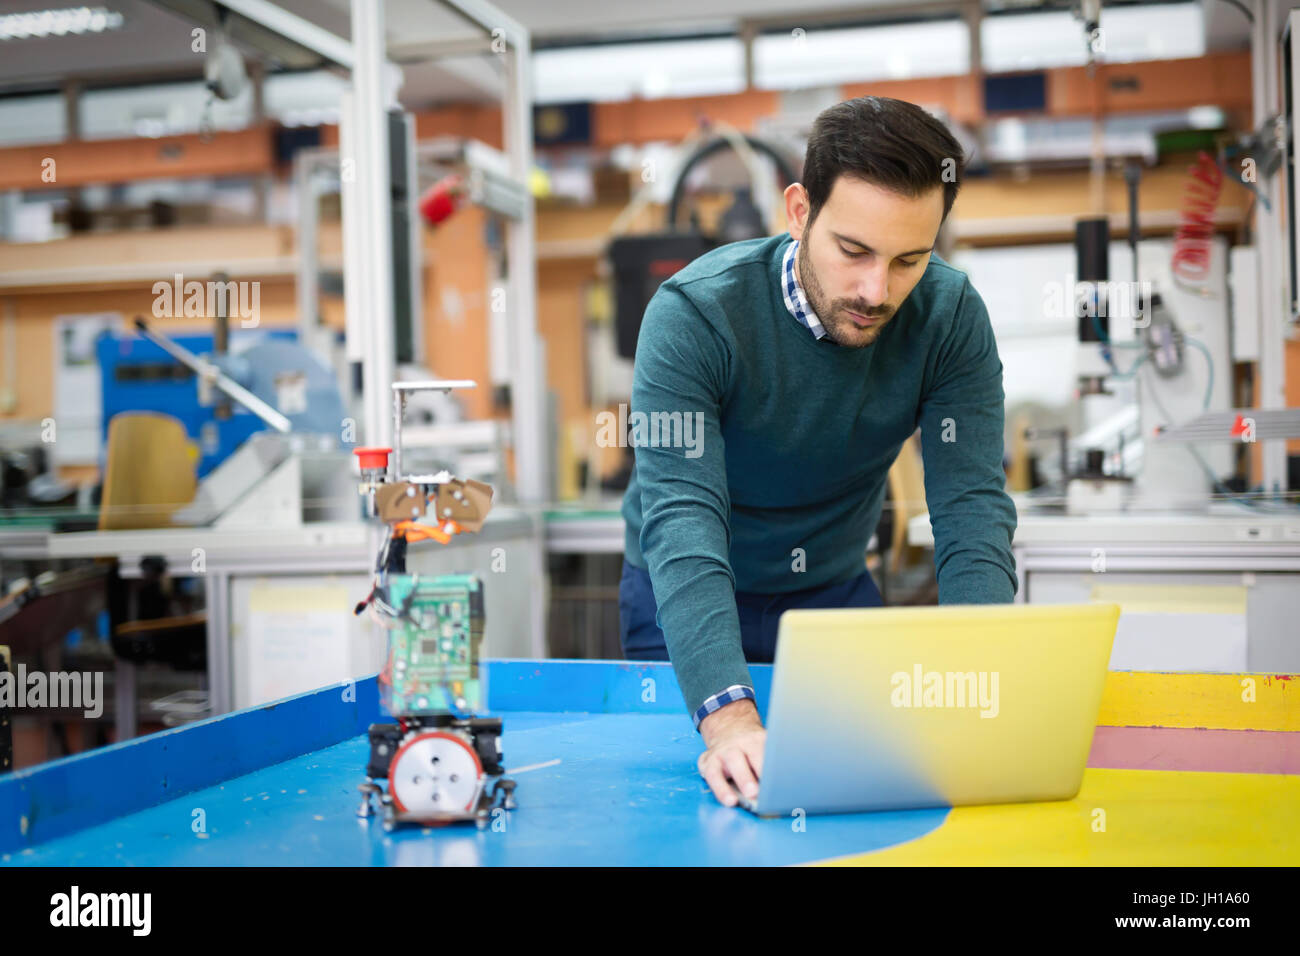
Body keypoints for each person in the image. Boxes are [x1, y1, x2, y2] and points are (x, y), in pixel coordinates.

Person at [618, 95, 1019, 807]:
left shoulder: (951, 317)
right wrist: (730, 720)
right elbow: (681, 518)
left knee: (862, 800)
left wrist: (982, 679)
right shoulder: (693, 316)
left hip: (831, 595)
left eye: (910, 260)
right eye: (854, 251)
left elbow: (972, 507)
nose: (876, 290)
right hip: (681, 594)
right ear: (799, 211)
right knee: (701, 811)